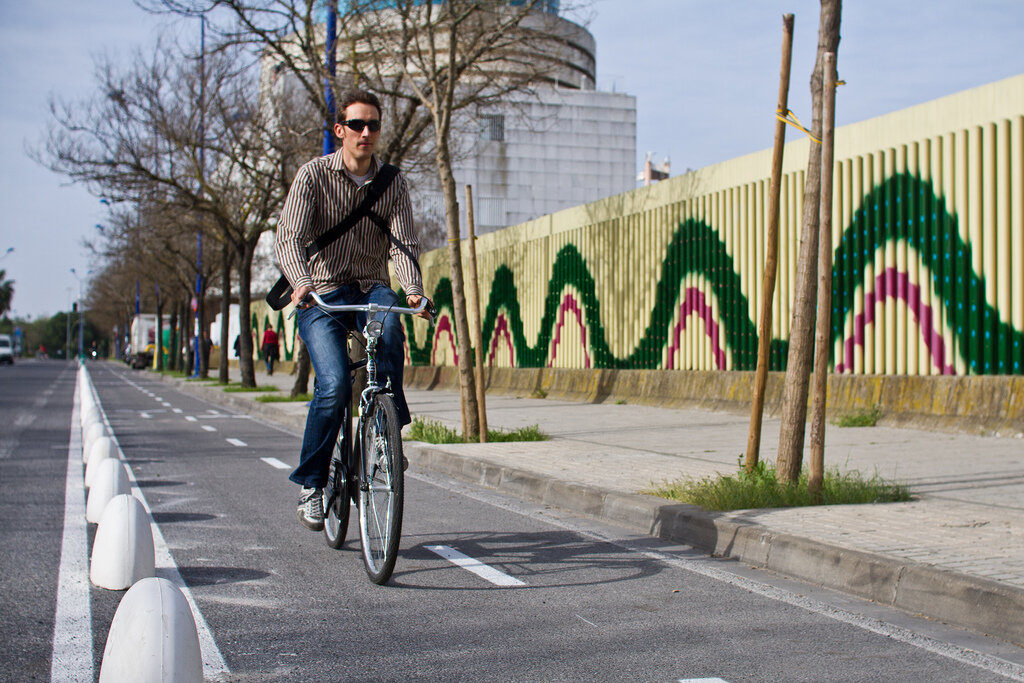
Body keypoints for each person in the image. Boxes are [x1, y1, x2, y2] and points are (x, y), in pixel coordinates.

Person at [274, 89, 432, 531]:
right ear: (340, 130)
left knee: (393, 331)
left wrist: (415, 292)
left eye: (374, 125)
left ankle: (385, 433)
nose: (366, 133)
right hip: (321, 292)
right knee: (333, 386)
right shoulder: (312, 177)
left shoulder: (393, 183)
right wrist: (301, 283)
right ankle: (312, 483)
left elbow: (403, 245)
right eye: (357, 125)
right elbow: (288, 238)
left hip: (371, 285)